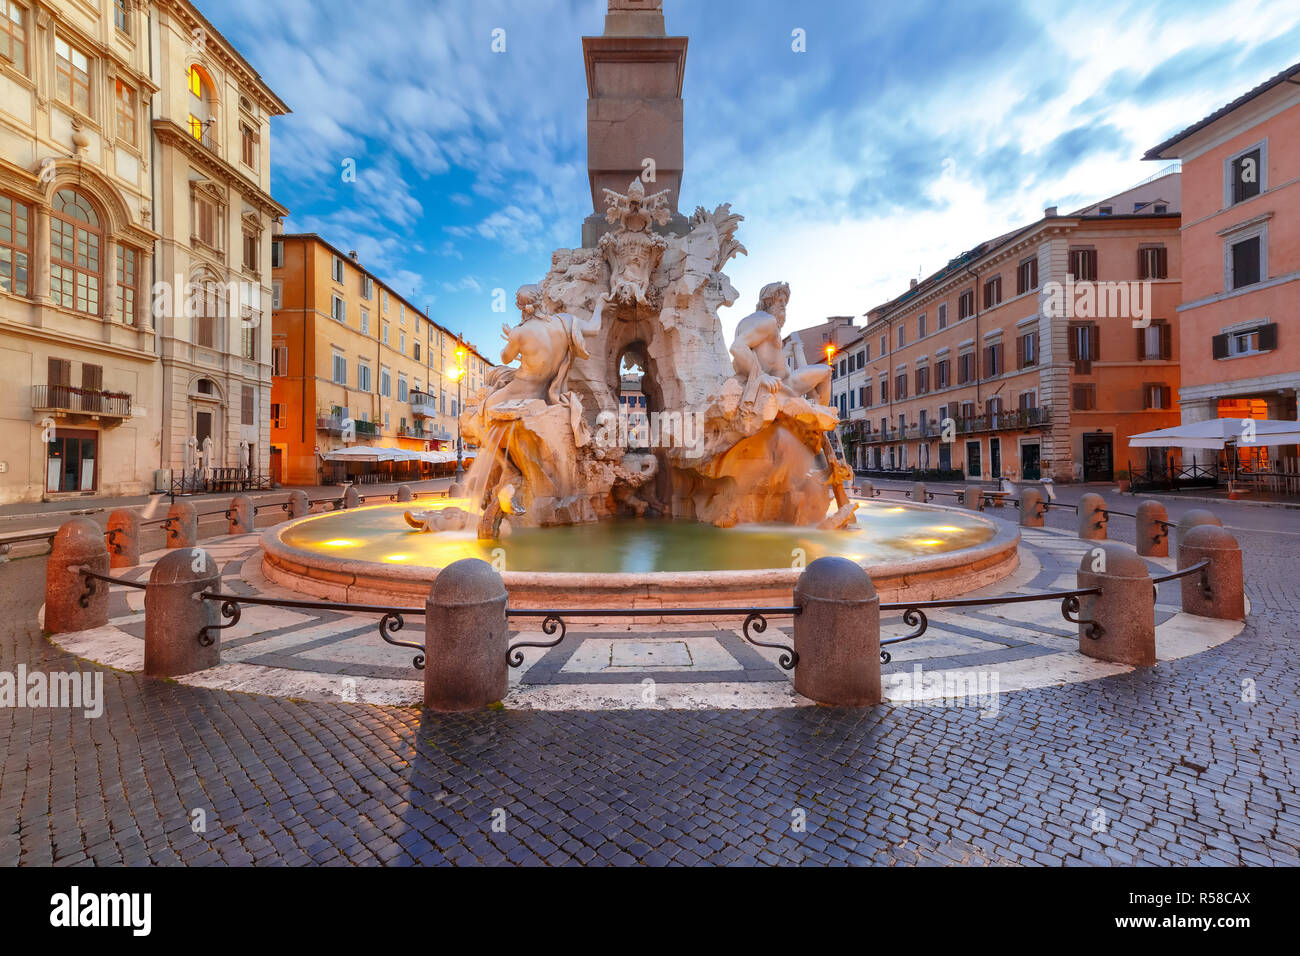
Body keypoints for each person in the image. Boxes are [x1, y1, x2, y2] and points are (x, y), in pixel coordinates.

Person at [729, 282, 831, 407]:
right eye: (779, 300)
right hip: (783, 384)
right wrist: (762, 376)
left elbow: (763, 356)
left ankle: (816, 407)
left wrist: (784, 352)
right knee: (826, 371)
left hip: (780, 380)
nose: (784, 305)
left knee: (818, 385)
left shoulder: (754, 322)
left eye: (785, 301)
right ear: (768, 302)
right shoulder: (768, 321)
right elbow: (737, 347)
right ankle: (821, 414)